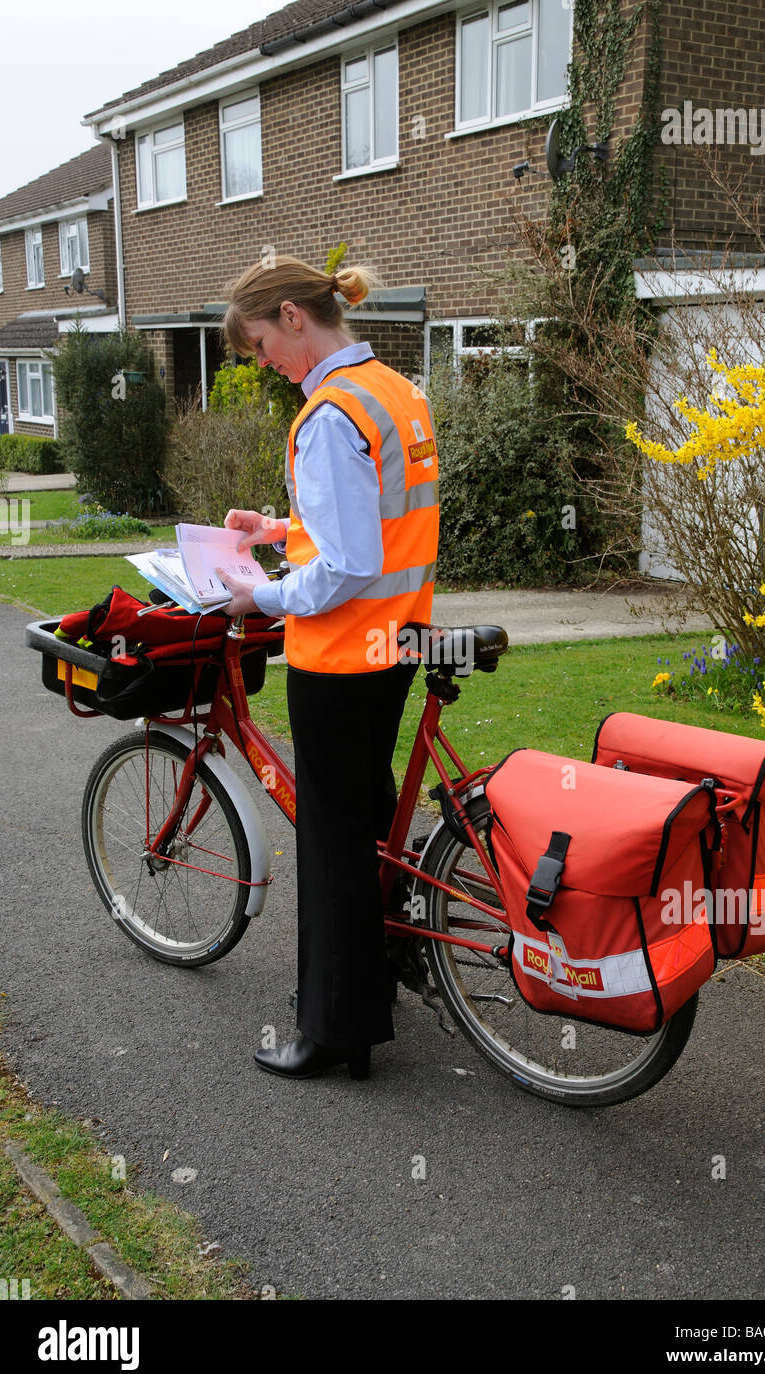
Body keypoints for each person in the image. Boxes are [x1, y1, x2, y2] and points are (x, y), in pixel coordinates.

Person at [216, 255, 439, 1082]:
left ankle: (336, 1032)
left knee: (334, 844)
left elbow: (345, 563)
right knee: (367, 819)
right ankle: (378, 974)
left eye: (262, 345)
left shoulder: (328, 415)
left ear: (291, 315)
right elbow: (371, 522)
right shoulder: (393, 389)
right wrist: (279, 529)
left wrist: (261, 595)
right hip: (397, 638)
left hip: (341, 652)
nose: (265, 363)